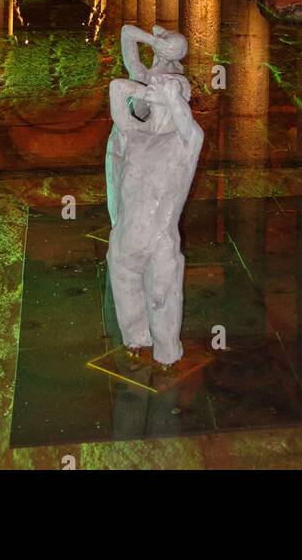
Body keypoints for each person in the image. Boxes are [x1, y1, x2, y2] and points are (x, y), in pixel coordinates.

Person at [105, 24, 204, 366]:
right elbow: (117, 88)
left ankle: (167, 351)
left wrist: (172, 99)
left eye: (166, 108)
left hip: (160, 239)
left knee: (162, 297)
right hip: (126, 238)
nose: (155, 112)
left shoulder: (182, 145)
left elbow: (192, 130)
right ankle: (135, 338)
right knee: (126, 287)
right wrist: (149, 90)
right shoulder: (135, 134)